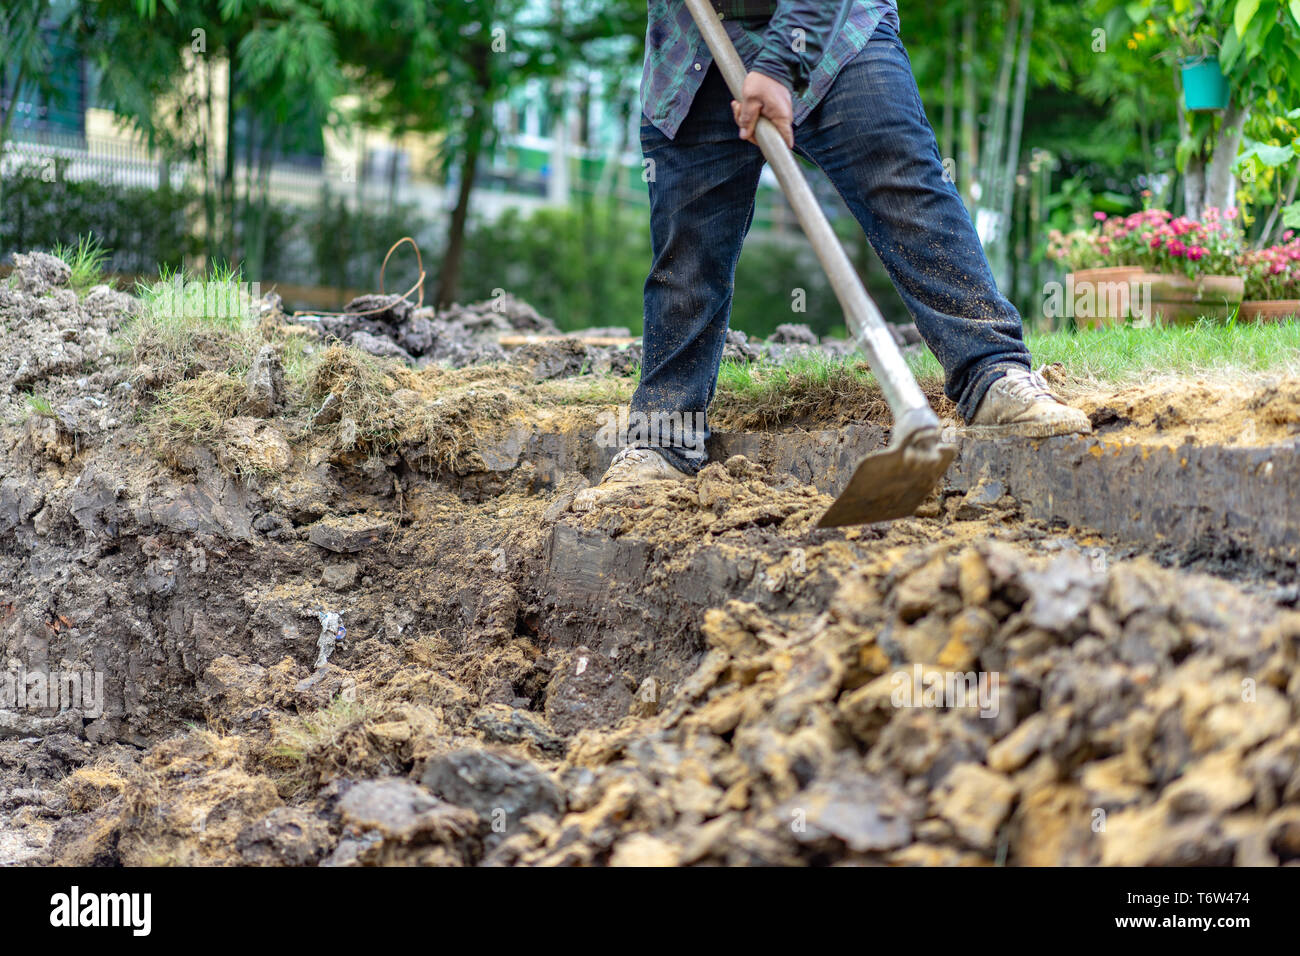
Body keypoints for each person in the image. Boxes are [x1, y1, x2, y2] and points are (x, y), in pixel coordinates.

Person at [575, 0, 1090, 510]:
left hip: (832, 32)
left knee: (904, 190)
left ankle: (993, 373)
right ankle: (663, 434)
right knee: (686, 253)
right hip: (697, 45)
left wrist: (778, 66)